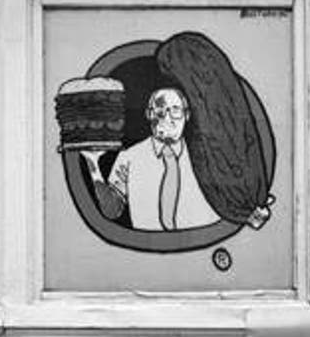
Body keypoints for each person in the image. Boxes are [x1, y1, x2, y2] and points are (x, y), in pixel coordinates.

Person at [84, 87, 219, 231]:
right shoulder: (129, 157)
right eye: (160, 111)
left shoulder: (207, 156)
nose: (167, 118)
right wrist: (93, 164)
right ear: (149, 114)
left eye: (175, 111)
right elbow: (112, 210)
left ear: (186, 114)